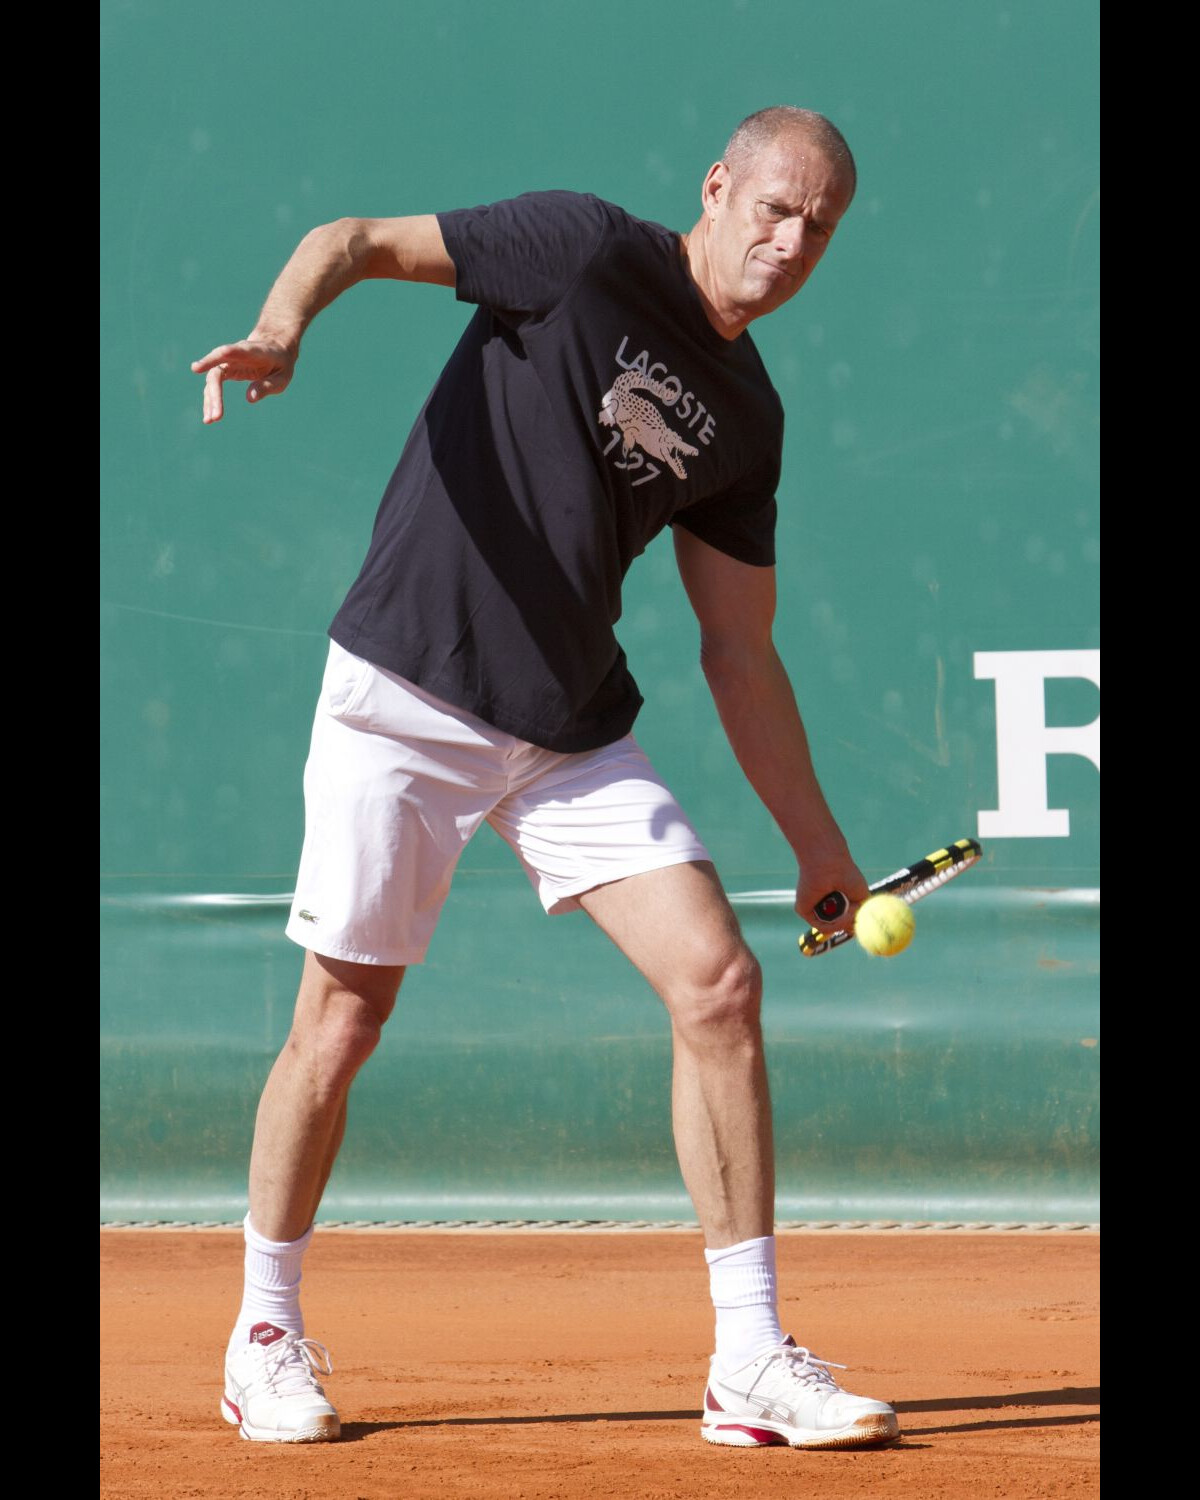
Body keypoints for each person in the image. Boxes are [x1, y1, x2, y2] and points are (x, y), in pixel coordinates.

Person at [192, 105, 900, 1452]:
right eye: (772, 205)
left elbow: (739, 652)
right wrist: (283, 329)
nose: (788, 239)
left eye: (818, 225)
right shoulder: (580, 250)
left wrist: (818, 846)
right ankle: (263, 1333)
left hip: (564, 726)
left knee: (720, 982)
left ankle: (747, 1360)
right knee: (338, 1028)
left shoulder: (749, 415)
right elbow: (350, 239)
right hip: (406, 692)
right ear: (716, 187)